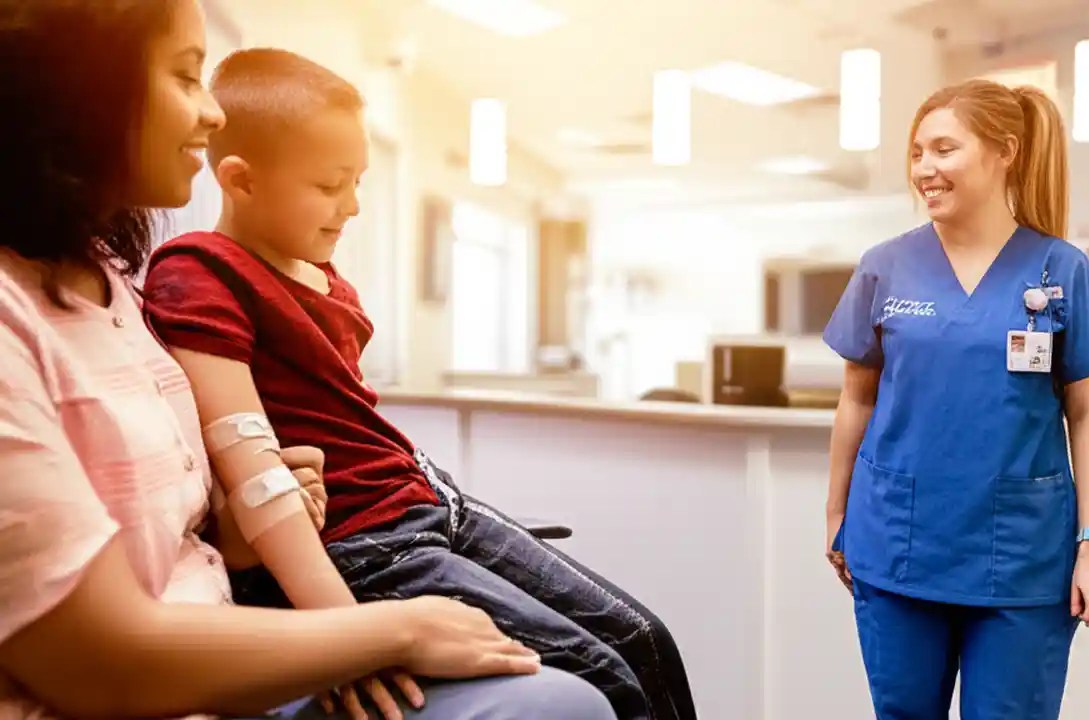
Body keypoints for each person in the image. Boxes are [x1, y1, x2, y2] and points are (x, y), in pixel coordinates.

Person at [0, 1, 617, 719]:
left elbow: (171, 530)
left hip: (244, 613)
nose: (212, 113)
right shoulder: (176, 281)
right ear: (75, 86)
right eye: (185, 77)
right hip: (166, 677)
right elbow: (101, 659)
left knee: (606, 665)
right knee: (576, 695)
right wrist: (383, 629)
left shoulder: (116, 285)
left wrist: (229, 535)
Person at [141, 47, 696, 720]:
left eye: (358, 182)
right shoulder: (198, 271)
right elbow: (252, 467)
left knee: (644, 637)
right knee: (603, 674)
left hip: (427, 496)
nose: (350, 206)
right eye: (328, 185)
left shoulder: (326, 276)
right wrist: (337, 637)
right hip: (362, 538)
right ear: (240, 180)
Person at [823, 78, 1089, 719]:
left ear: (1005, 151)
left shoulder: (1060, 269)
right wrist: (835, 515)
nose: (924, 170)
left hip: (1021, 557)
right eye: (916, 153)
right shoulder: (884, 267)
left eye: (943, 149)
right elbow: (856, 400)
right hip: (897, 543)